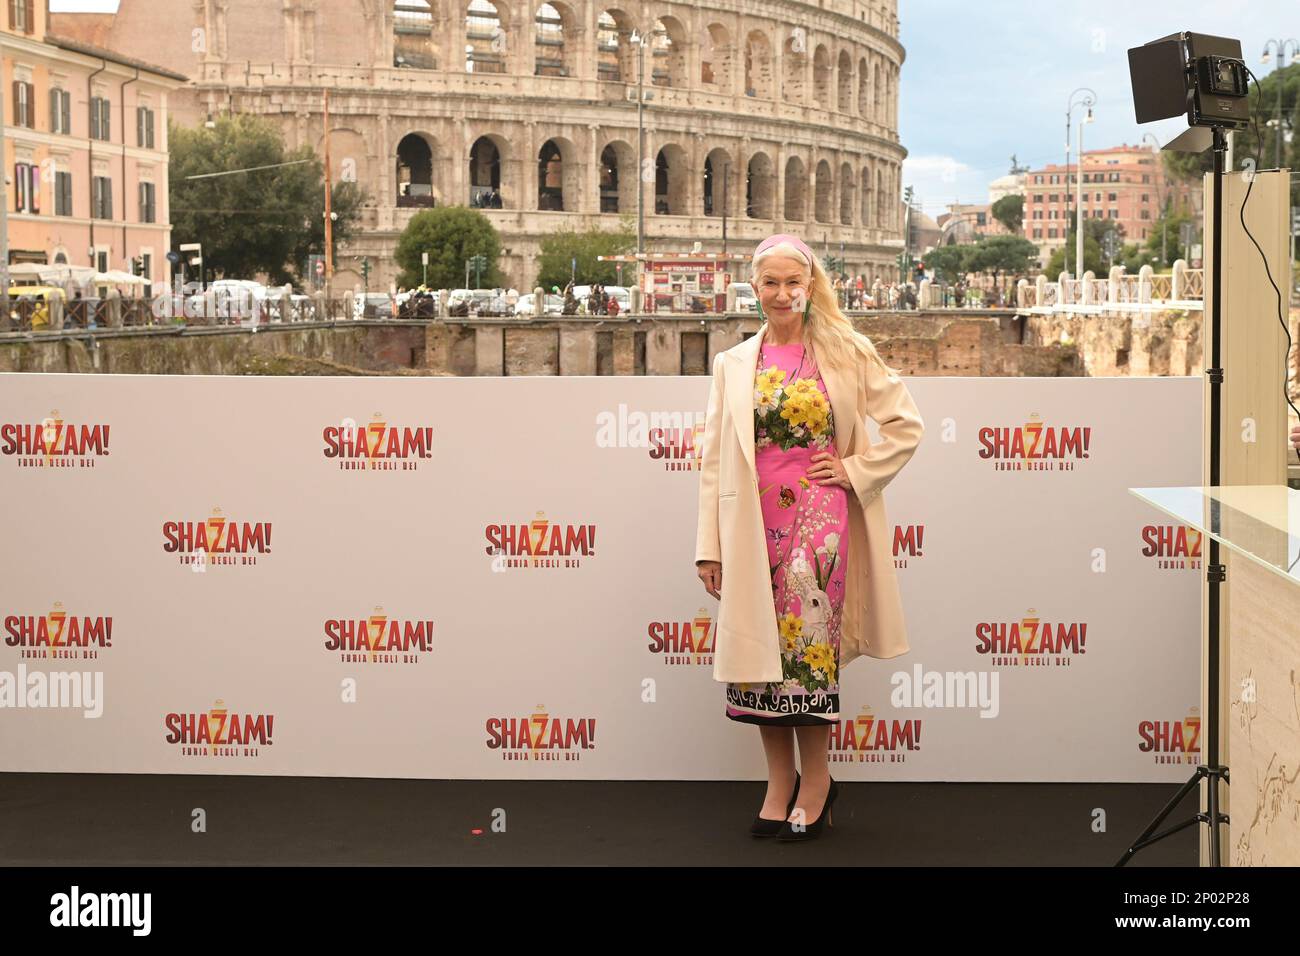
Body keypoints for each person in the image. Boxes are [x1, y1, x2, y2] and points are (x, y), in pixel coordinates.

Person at [694, 232, 924, 842]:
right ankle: (777, 785)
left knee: (807, 654)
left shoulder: (846, 351)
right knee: (759, 658)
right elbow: (714, 460)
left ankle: (816, 783)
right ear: (754, 288)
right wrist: (709, 546)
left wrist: (853, 471)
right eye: (769, 282)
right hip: (752, 525)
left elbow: (905, 424)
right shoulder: (734, 364)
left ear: (811, 285)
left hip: (820, 526)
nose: (781, 293)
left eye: (793, 282)